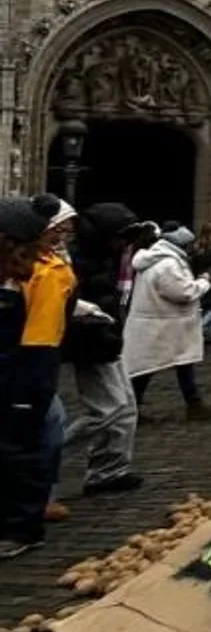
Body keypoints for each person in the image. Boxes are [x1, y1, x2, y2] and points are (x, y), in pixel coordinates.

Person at [61, 204, 143, 497]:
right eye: (122, 236)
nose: (126, 244)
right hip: (90, 341)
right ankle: (48, 452)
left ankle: (110, 470)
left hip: (107, 337)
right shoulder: (73, 260)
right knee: (109, 410)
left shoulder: (110, 257)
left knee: (127, 407)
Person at [0, 197, 54, 558]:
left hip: (24, 369)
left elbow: (41, 335)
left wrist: (27, 387)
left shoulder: (43, 275)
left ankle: (23, 527)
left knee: (18, 449)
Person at [124, 224, 211, 420]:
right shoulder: (167, 264)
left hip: (163, 323)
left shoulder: (157, 260)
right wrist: (205, 281)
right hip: (164, 325)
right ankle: (132, 408)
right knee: (148, 368)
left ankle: (194, 403)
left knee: (175, 364)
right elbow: (182, 292)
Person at [25, 196, 77, 525]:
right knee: (44, 428)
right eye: (61, 226)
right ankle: (32, 504)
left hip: (39, 354)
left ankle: (41, 498)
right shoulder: (29, 264)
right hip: (29, 357)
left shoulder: (54, 260)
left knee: (50, 427)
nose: (68, 231)